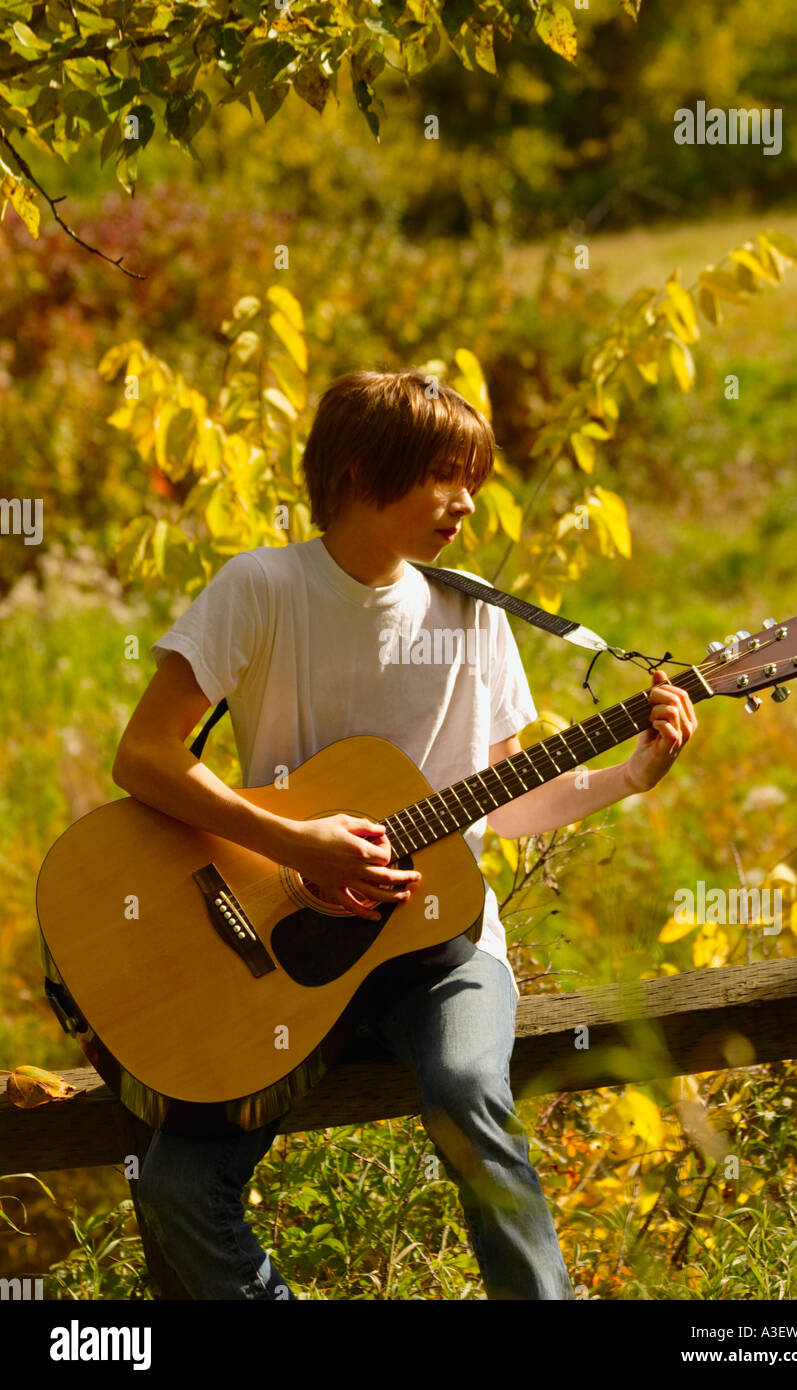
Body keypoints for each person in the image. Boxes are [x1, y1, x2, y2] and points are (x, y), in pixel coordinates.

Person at [111, 368, 697, 1300]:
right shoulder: (260, 588)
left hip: (439, 950)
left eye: (474, 477)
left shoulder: (471, 613)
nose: (467, 501)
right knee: (177, 1183)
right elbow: (144, 756)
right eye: (443, 476)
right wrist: (298, 846)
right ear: (356, 473)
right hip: (279, 946)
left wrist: (630, 774)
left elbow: (502, 801)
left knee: (468, 1088)